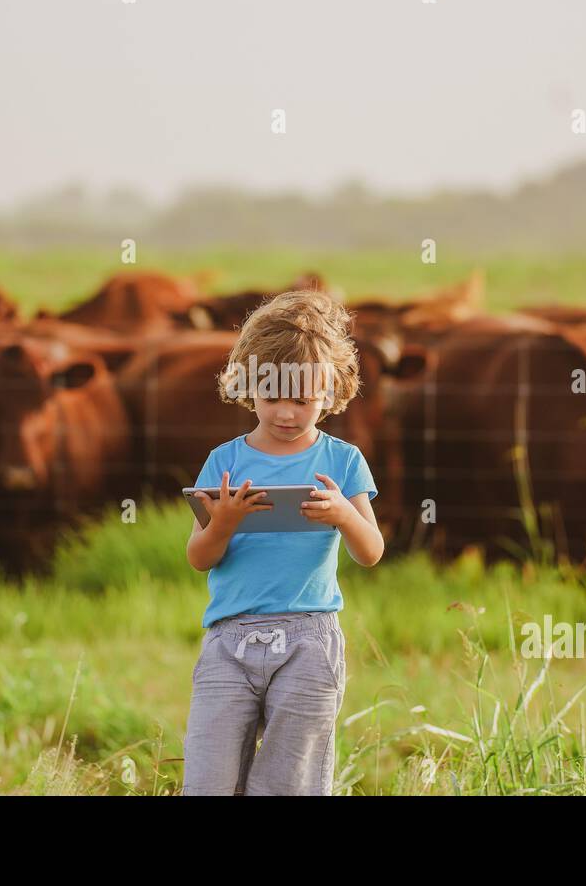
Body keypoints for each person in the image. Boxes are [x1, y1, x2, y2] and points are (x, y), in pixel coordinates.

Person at [182, 288, 384, 796]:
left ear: (333, 390)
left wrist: (342, 515)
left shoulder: (343, 461)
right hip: (229, 640)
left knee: (289, 782)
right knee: (209, 780)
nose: (287, 413)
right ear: (248, 385)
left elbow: (371, 551)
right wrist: (223, 522)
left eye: (304, 398)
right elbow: (199, 557)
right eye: (272, 396)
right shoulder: (224, 460)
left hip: (309, 640)